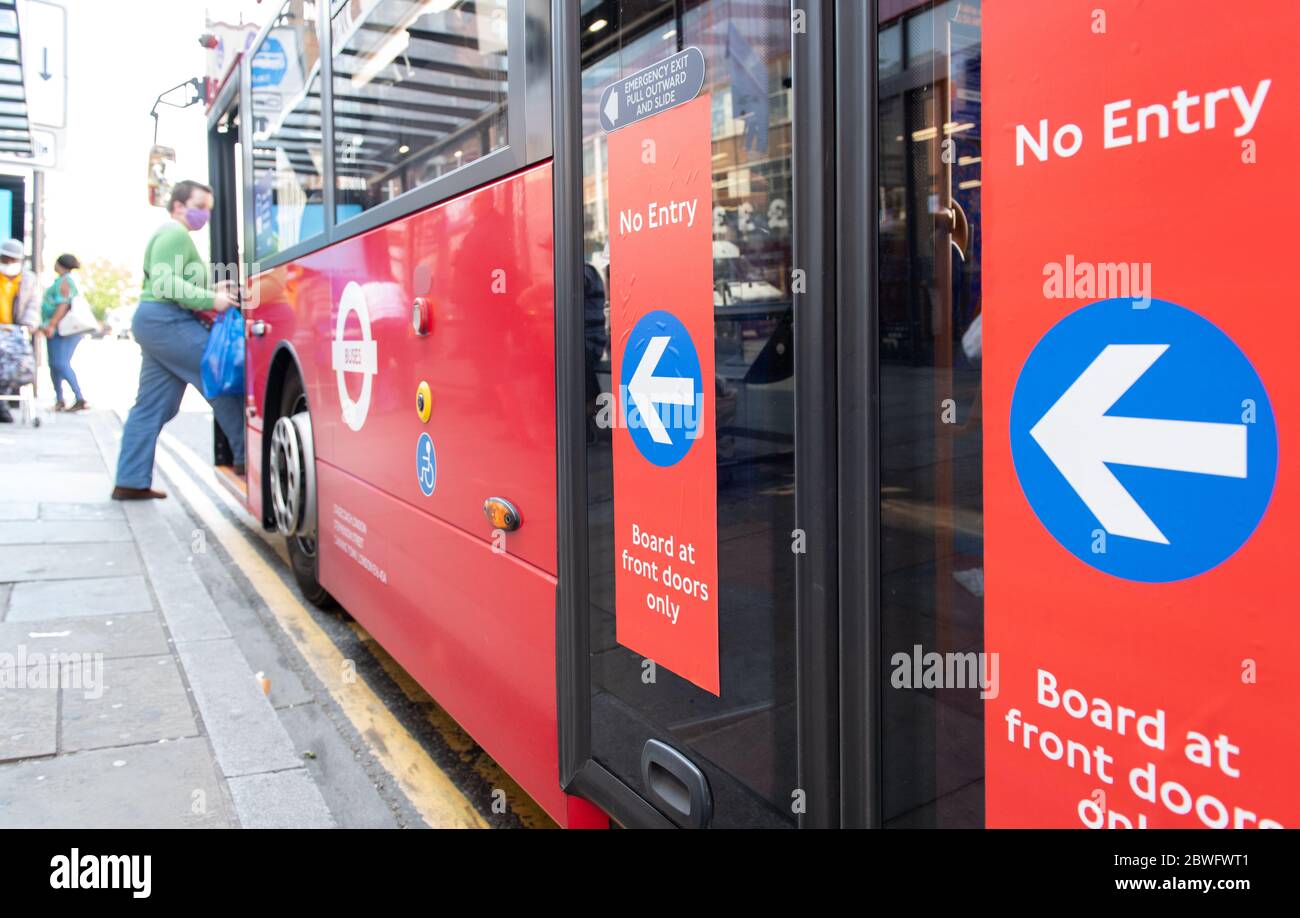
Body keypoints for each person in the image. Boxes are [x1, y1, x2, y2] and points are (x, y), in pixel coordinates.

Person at [112, 179, 244, 501]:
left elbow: (174, 282)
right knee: (222, 379)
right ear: (178, 206)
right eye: (200, 207)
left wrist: (213, 291)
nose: (204, 215)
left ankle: (130, 481)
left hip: (156, 322)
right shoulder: (174, 233)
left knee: (153, 406)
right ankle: (248, 459)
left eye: (208, 210)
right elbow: (165, 283)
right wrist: (212, 301)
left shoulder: (173, 236)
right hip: (166, 320)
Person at [38, 253, 89, 412]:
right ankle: (59, 399)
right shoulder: (63, 281)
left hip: (62, 330)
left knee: (60, 363)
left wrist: (52, 324)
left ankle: (79, 397)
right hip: (57, 329)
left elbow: (63, 305)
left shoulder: (66, 281)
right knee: (54, 364)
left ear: (59, 264)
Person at [0, 238, 40, 423]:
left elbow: (33, 305)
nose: (8, 264)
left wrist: (29, 323)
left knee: (18, 366)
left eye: (12, 260)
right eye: (5, 259)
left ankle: (3, 402)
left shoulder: (28, 280)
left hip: (15, 331)